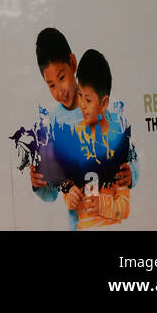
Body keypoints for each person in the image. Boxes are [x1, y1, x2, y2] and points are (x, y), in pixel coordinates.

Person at [30, 29, 136, 222]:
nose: (59, 91)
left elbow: (127, 155)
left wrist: (132, 174)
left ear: (73, 63)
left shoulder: (99, 111)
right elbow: (53, 191)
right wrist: (40, 184)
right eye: (51, 85)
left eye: (61, 78)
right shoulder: (53, 127)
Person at [64, 49, 131, 229]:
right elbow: (67, 189)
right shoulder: (75, 138)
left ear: (103, 104)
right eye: (79, 96)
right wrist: (70, 197)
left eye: (88, 99)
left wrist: (103, 205)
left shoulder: (116, 141)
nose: (82, 105)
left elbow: (124, 208)